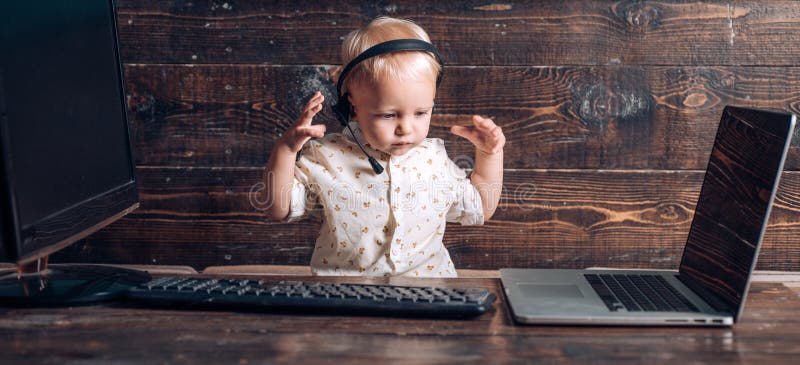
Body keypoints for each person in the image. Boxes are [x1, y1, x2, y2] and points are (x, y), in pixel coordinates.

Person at [262, 16, 505, 277]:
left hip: (429, 295)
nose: (406, 128)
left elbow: (481, 208)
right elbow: (278, 208)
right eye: (388, 115)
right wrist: (286, 151)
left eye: (421, 113)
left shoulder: (434, 159)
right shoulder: (326, 157)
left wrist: (489, 155)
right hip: (344, 296)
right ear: (352, 106)